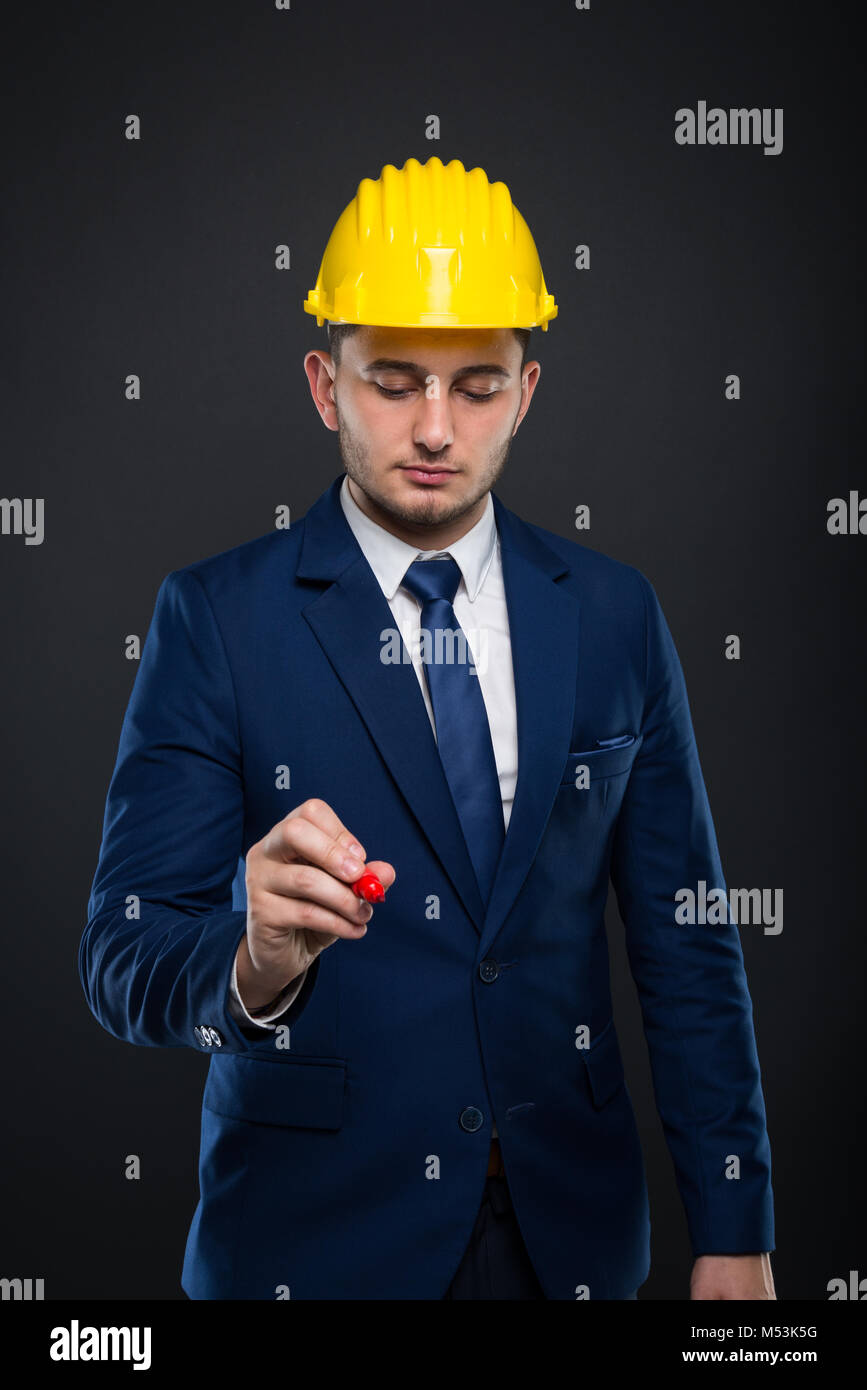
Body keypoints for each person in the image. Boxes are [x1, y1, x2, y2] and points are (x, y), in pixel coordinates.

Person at [80, 155, 776, 1300]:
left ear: (530, 389)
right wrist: (252, 961)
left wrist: (735, 1224)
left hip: (569, 1244)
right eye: (395, 381)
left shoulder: (612, 614)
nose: (437, 428)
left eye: (479, 385)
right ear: (323, 383)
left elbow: (688, 945)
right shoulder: (215, 619)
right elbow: (121, 957)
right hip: (313, 1247)